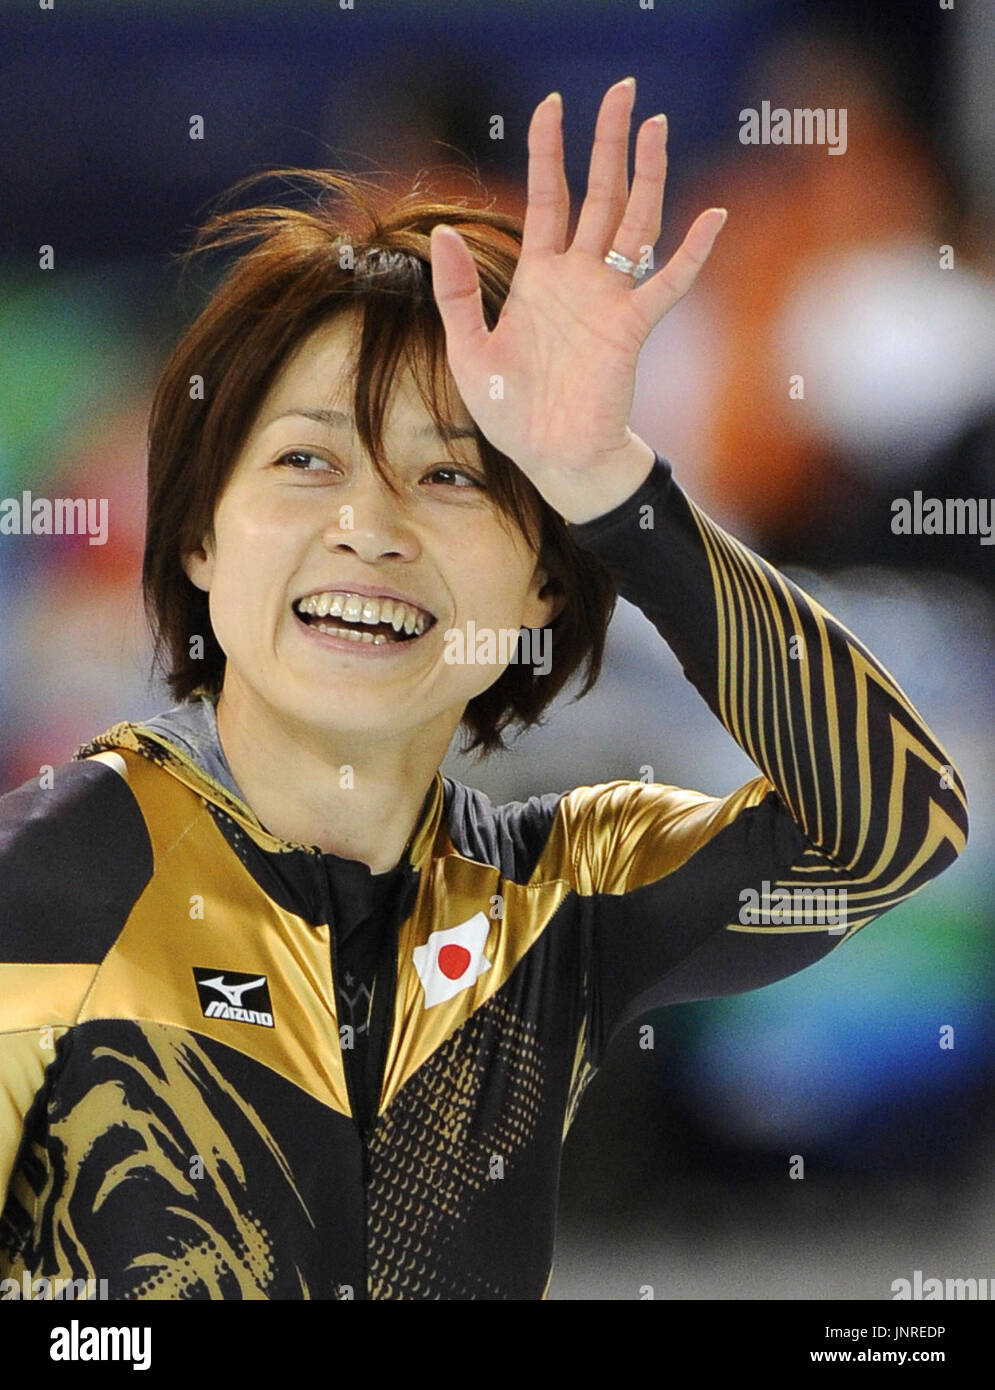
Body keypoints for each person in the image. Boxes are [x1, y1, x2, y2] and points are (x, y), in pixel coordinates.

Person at [0, 78, 968, 1301]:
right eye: (305, 460)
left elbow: (892, 829)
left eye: (451, 478)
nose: (369, 525)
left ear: (543, 590)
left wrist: (615, 487)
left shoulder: (555, 900)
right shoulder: (50, 880)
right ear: (197, 538)